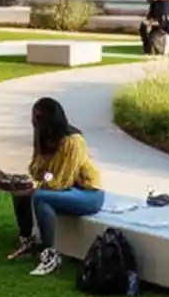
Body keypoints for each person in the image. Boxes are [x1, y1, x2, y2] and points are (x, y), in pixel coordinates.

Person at [7, 98, 105, 277]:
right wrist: (27, 183)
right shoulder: (43, 138)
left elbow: (63, 181)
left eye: (38, 117)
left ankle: (50, 255)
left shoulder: (73, 140)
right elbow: (36, 170)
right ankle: (28, 241)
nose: (34, 120)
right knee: (20, 190)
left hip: (88, 193)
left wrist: (38, 185)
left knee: (40, 197)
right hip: (65, 189)